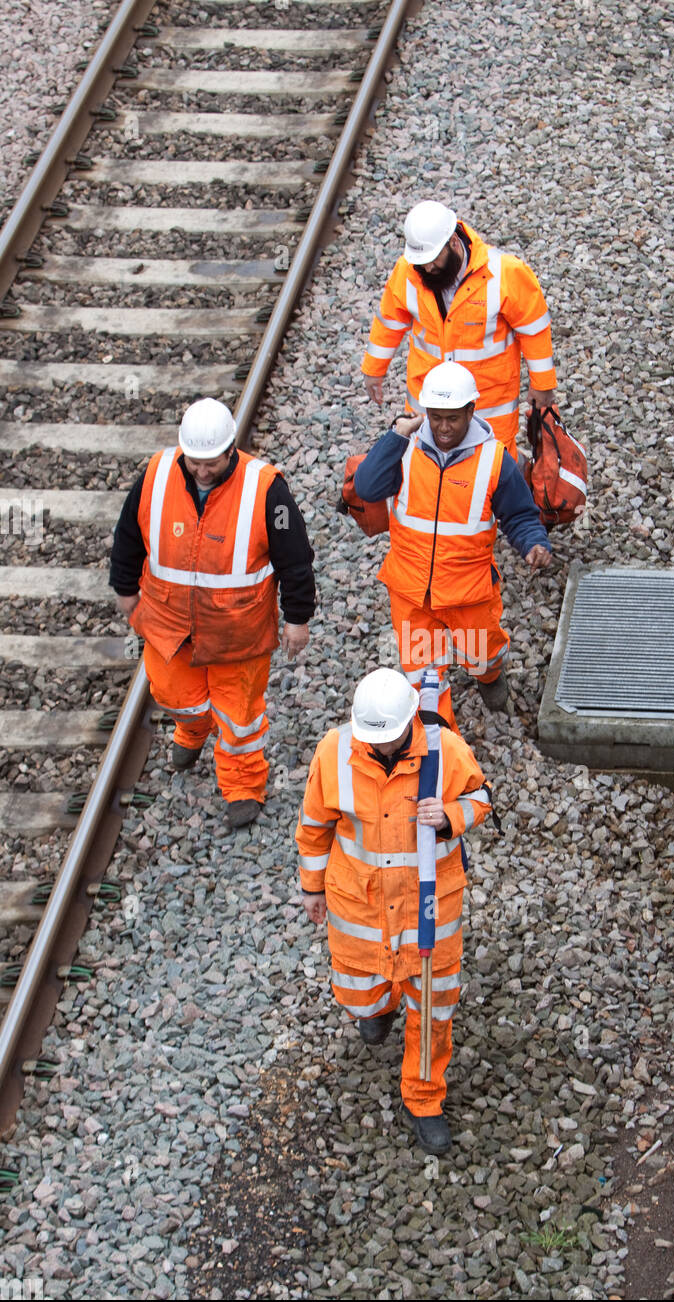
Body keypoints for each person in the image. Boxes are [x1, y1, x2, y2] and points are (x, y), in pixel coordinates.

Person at [295, 667, 492, 1155]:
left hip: (430, 909)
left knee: (432, 1006)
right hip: (359, 907)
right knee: (358, 990)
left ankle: (424, 1099)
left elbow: (481, 798)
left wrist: (448, 818)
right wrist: (311, 887)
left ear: (410, 723)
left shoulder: (444, 750)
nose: (383, 750)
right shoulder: (336, 751)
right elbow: (315, 824)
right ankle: (377, 1008)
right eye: (374, 742)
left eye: (392, 740)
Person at [109, 397, 315, 828]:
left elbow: (295, 557)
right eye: (195, 462)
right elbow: (129, 533)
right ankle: (194, 729)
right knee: (172, 694)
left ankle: (242, 785)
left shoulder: (267, 489)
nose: (202, 471)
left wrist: (298, 618)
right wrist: (125, 588)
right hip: (169, 626)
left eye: (213, 463)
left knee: (239, 715)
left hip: (239, 635)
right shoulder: (157, 474)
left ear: (231, 450)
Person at [353, 361, 551, 726]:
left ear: (471, 412)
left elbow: (520, 515)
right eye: (435, 417)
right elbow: (366, 486)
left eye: (452, 419)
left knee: (482, 656)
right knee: (426, 682)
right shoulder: (404, 450)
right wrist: (397, 434)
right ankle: (440, 746)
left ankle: (490, 676)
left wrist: (533, 543)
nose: (443, 427)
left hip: (468, 593)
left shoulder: (495, 461)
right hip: (413, 594)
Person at [361, 199, 557, 459]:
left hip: (488, 407)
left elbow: (534, 328)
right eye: (422, 263)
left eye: (433, 260)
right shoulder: (409, 272)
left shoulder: (504, 273)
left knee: (494, 475)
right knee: (429, 470)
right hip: (429, 405)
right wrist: (374, 370)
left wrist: (542, 385)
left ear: (453, 242)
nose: (428, 269)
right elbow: (389, 320)